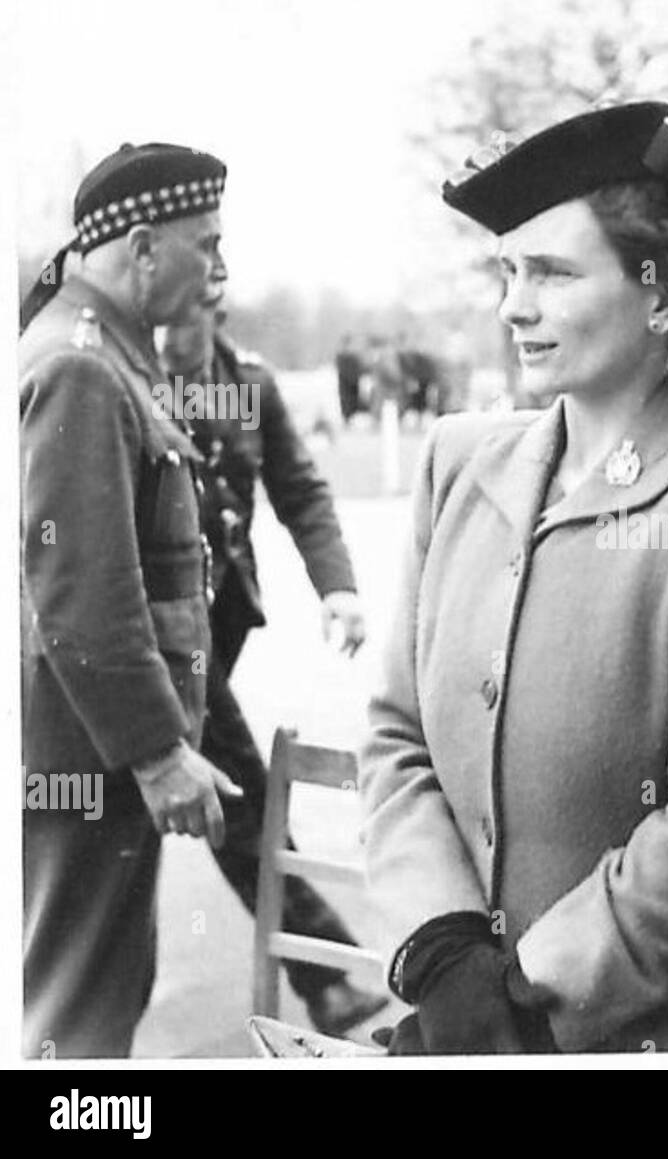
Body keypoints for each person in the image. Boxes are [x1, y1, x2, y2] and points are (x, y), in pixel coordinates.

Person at [361, 102, 668, 1054]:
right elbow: (395, 735)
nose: (513, 306)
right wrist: (445, 955)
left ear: (661, 296)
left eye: (554, 273)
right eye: (509, 272)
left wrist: (526, 997)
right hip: (460, 1028)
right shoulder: (456, 462)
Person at [19, 143, 241, 1057]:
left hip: (86, 741)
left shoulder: (103, 351)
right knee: (81, 1008)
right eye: (207, 244)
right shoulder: (81, 365)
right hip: (88, 752)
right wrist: (154, 753)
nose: (220, 271)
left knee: (95, 988)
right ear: (144, 248)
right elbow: (79, 588)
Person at [158, 310, 388, 1036]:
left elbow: (300, 488)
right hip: (153, 640)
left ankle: (324, 975)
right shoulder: (123, 374)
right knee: (236, 791)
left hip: (214, 629)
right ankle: (325, 974)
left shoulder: (246, 383)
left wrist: (339, 587)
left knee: (215, 796)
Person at [335, 334, 363, 425]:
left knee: (352, 403)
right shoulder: (341, 356)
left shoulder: (354, 356)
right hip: (345, 384)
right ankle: (347, 420)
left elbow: (360, 368)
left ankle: (349, 419)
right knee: (346, 403)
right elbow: (342, 370)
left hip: (353, 384)